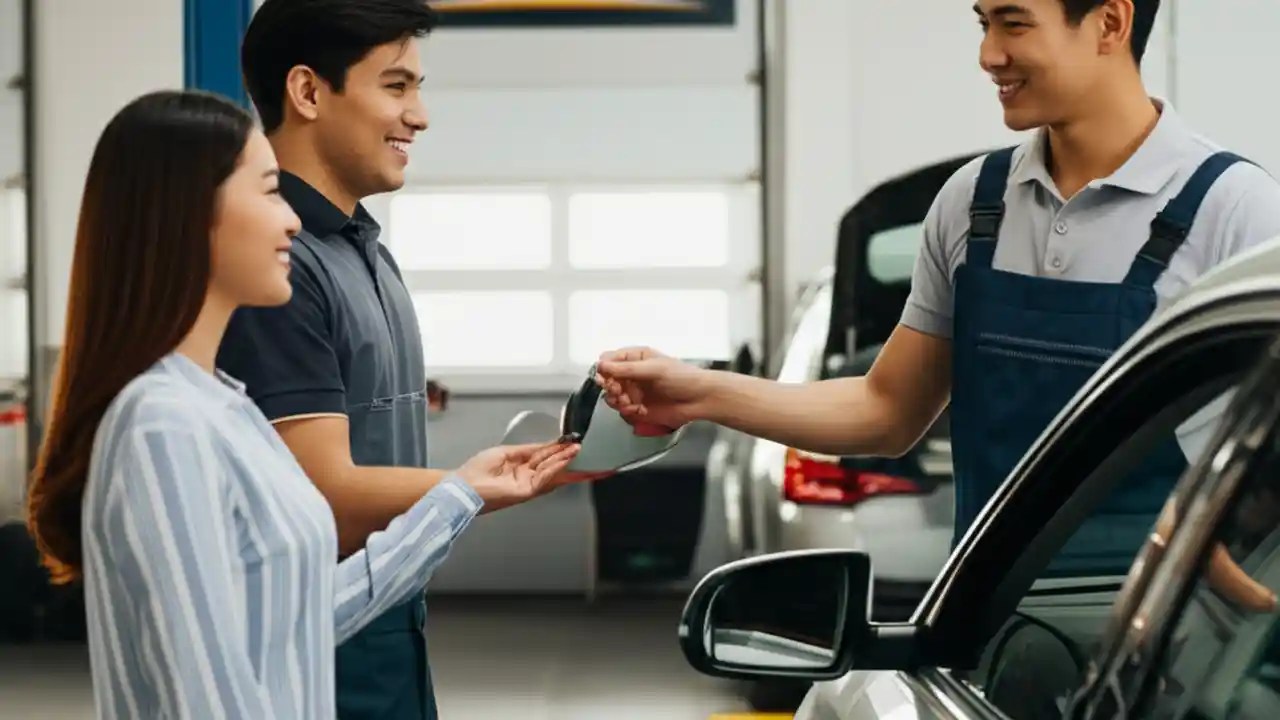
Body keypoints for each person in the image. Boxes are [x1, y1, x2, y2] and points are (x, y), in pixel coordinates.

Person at [596, 0, 1280, 568]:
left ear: (1109, 23)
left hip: (1160, 645)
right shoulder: (974, 204)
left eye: (1013, 24)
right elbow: (886, 409)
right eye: (983, 24)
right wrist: (700, 393)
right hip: (986, 627)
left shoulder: (1235, 210)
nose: (988, 55)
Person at [23, 90, 582, 719]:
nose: (291, 220)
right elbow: (205, 699)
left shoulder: (225, 407)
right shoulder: (163, 425)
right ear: (186, 215)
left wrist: (462, 494)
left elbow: (297, 618)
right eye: (267, 191)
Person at [216, 2, 606, 717]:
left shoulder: (364, 251)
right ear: (307, 92)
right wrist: (472, 485)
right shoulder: (281, 267)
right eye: (396, 87)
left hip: (391, 630)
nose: (419, 115)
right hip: (315, 656)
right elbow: (321, 501)